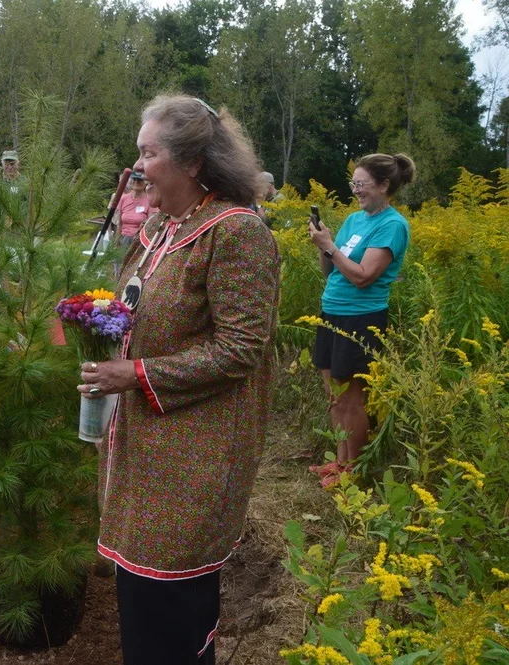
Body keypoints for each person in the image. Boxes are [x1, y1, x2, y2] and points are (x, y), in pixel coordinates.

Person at [79, 95, 279, 664]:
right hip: (147, 451)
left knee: (169, 622)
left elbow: (241, 350)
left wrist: (135, 372)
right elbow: (136, 311)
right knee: (145, 618)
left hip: (192, 460)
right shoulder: (167, 228)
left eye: (149, 152)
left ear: (192, 163)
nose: (138, 165)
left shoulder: (235, 233)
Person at [307, 153, 415, 486]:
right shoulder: (355, 220)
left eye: (361, 184)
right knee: (334, 395)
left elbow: (364, 277)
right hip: (332, 312)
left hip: (360, 319)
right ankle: (339, 463)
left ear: (384, 185)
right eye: (353, 183)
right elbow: (332, 271)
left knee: (352, 401)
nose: (356, 190)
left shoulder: (392, 225)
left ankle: (353, 471)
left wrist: (331, 247)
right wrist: (323, 246)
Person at [115, 171, 157, 249]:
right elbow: (119, 224)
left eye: (140, 180)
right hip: (124, 238)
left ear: (145, 182)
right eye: (135, 179)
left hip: (139, 240)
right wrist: (116, 241)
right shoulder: (123, 199)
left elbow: (151, 224)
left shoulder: (150, 200)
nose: (137, 182)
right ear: (131, 181)